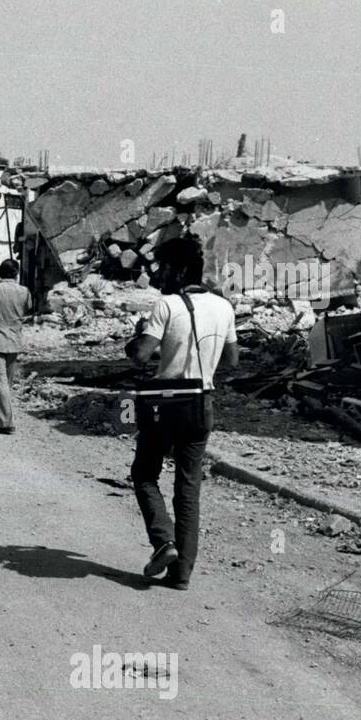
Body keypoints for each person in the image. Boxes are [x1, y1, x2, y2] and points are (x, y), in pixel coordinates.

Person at [125, 234, 238, 590]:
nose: (161, 275)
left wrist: (138, 337)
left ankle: (164, 542)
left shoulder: (167, 305)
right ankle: (182, 574)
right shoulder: (224, 307)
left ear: (182, 269)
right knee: (188, 489)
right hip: (202, 402)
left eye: (166, 268)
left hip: (166, 402)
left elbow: (142, 355)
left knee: (144, 473)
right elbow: (233, 361)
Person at [0, 258, 33, 434]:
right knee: (5, 383)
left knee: (1, 381)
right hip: (15, 341)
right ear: (16, 274)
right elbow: (29, 308)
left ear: (0, 272)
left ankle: (6, 424)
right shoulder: (24, 291)